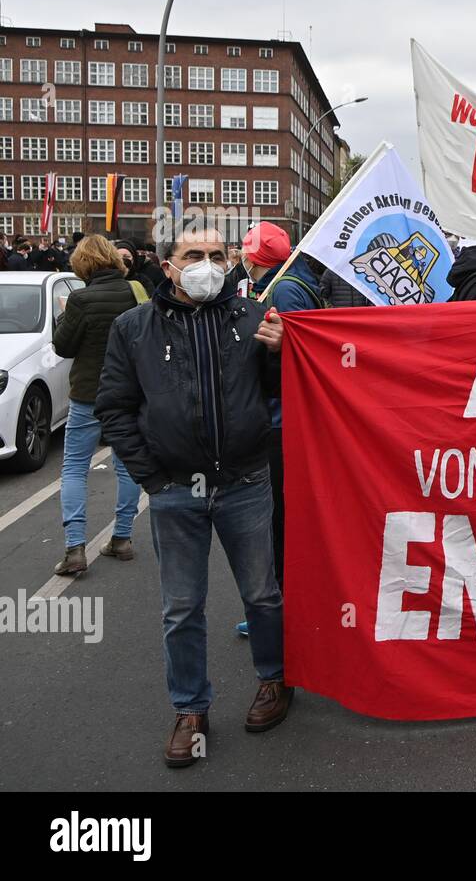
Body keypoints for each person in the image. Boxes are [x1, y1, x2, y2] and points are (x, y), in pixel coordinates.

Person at [96, 226, 291, 767]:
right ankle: (190, 710)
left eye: (216, 255)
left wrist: (281, 355)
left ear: (231, 262)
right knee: (182, 608)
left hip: (246, 484)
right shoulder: (133, 328)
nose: (207, 264)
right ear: (167, 266)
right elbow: (115, 406)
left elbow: (282, 396)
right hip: (176, 491)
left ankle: (275, 681)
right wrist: (151, 478)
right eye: (193, 255)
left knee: (263, 595)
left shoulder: (254, 322)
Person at [237, 222, 323, 634]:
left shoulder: (284, 289)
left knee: (276, 518)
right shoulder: (284, 282)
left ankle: (278, 610)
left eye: (243, 250)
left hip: (281, 418)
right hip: (280, 414)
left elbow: (297, 352)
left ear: (255, 257)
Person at [51, 236, 143, 577]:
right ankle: (122, 538)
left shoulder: (79, 299)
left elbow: (63, 347)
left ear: (83, 264)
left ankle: (75, 548)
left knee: (75, 467)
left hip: (88, 394)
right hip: (128, 393)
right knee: (126, 465)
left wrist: (65, 316)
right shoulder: (136, 293)